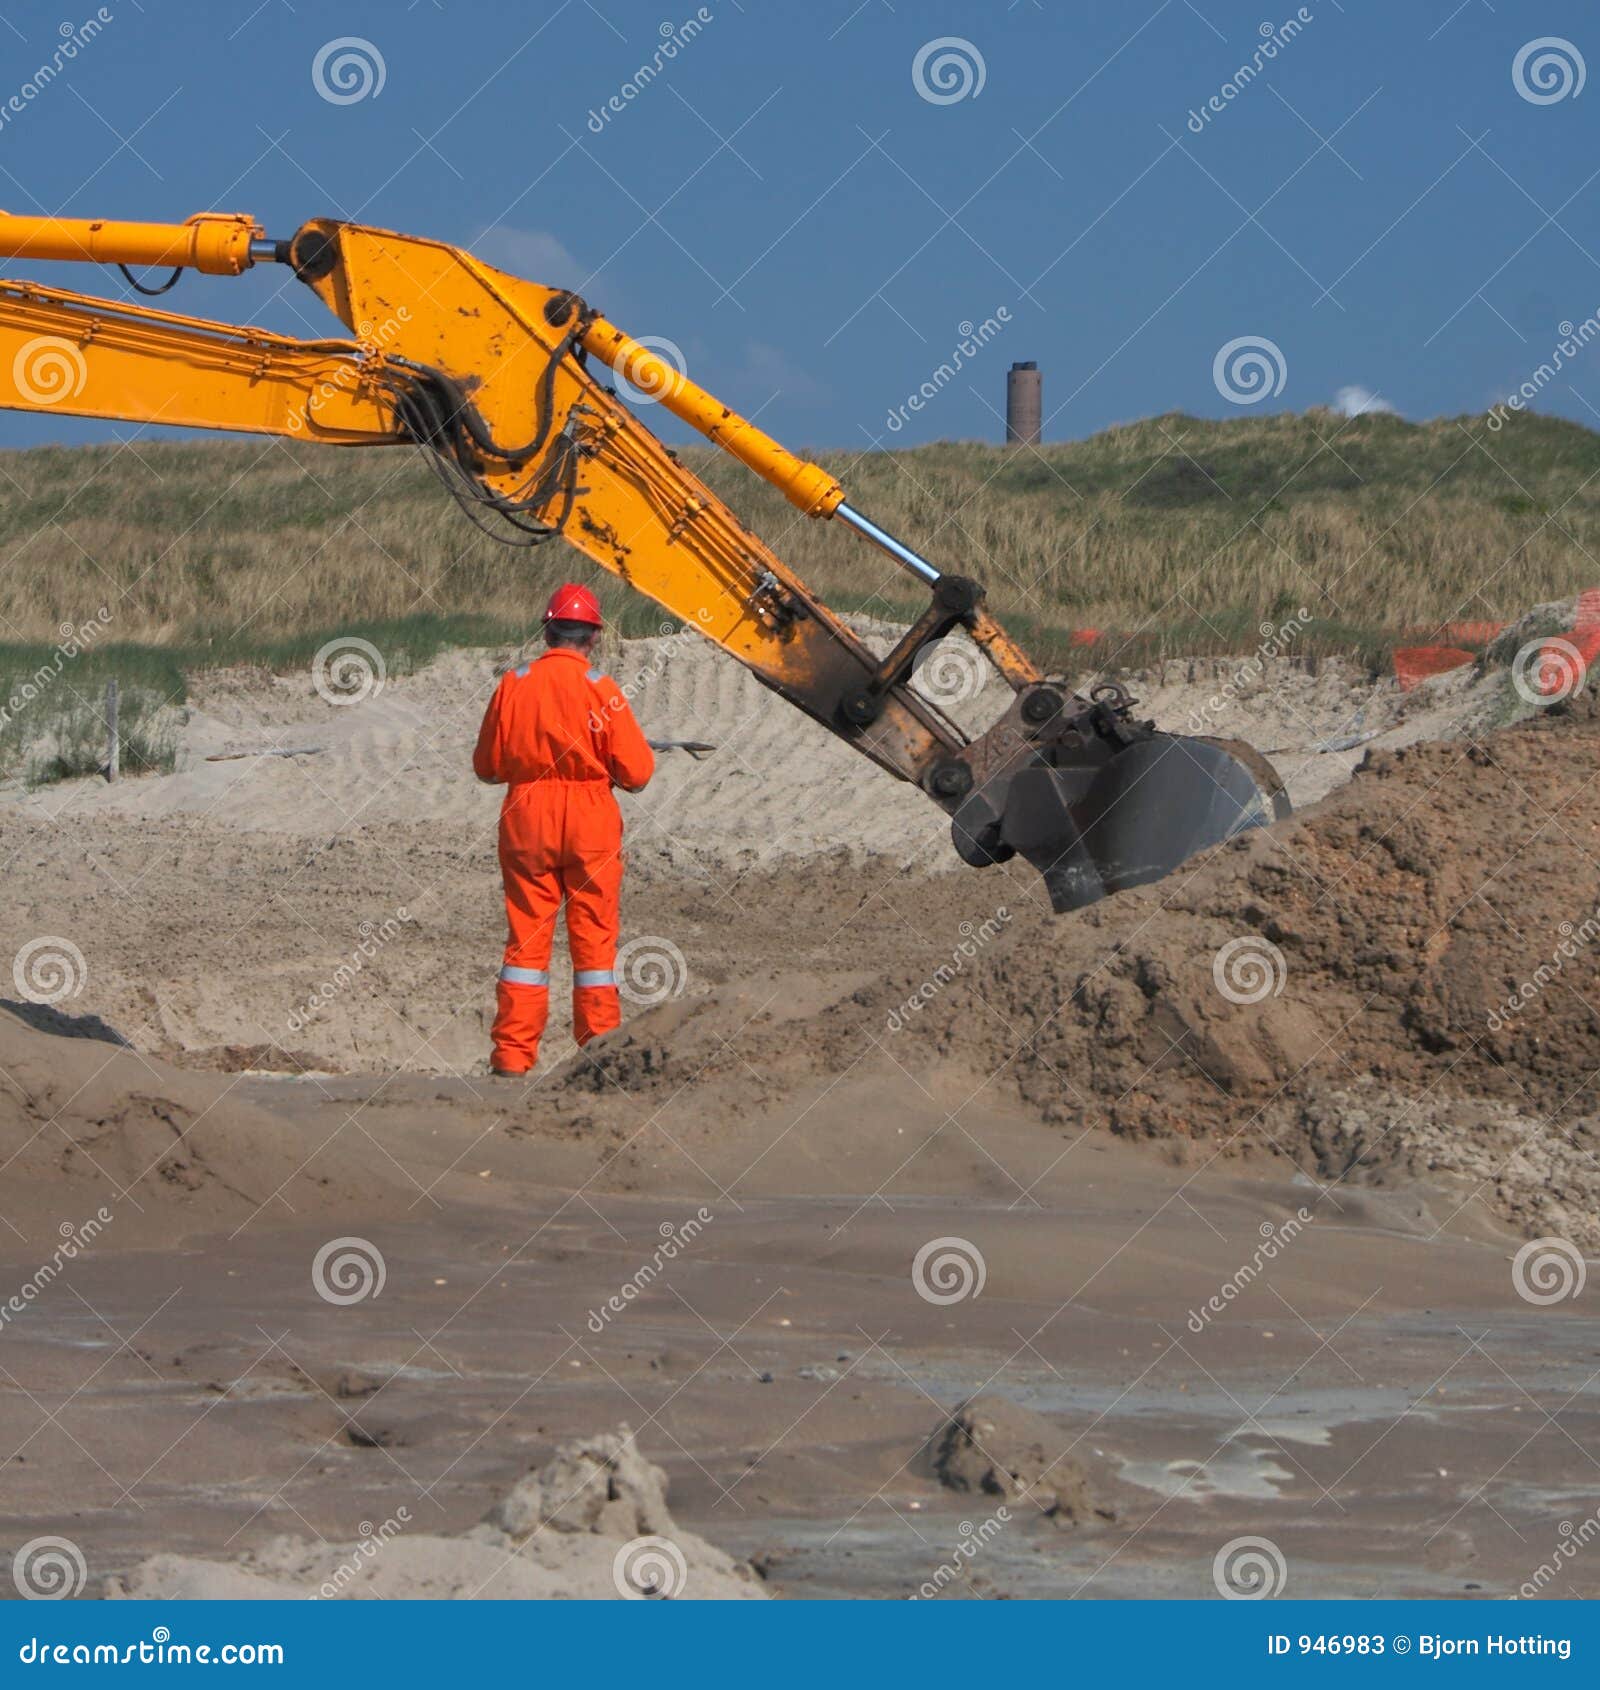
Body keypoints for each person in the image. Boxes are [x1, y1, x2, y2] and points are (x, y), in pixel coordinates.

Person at [473, 582, 655, 1076]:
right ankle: (598, 1055)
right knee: (594, 944)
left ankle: (512, 1057)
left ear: (547, 630)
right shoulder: (602, 690)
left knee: (526, 943)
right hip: (590, 823)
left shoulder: (514, 683)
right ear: (593, 636)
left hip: (527, 819)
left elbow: (487, 766)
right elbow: (637, 774)